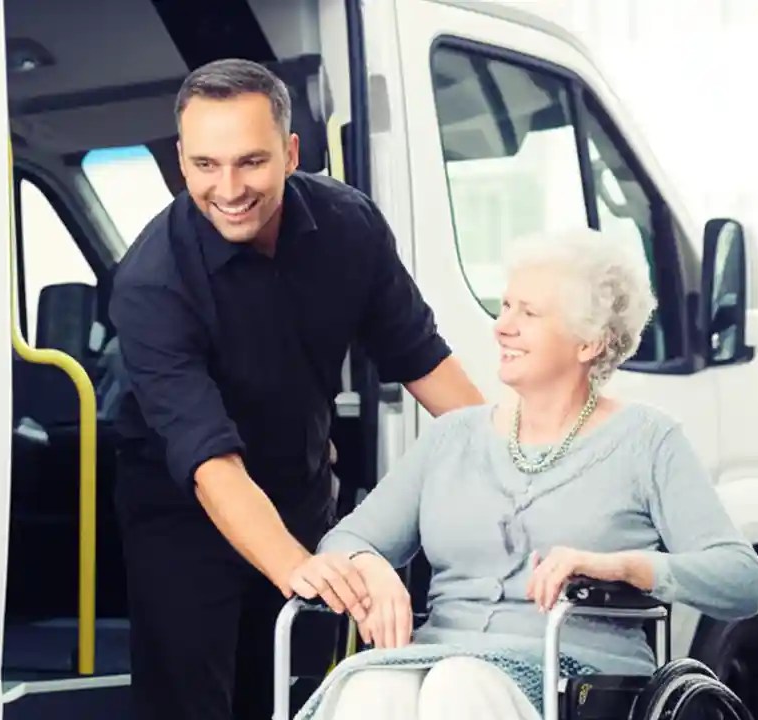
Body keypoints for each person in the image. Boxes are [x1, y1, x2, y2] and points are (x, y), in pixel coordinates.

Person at [107, 57, 485, 720]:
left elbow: (424, 363)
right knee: (189, 701)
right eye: (204, 165)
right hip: (182, 508)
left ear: (290, 152)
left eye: (251, 162)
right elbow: (207, 461)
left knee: (283, 692)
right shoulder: (151, 282)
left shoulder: (350, 227)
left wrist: (527, 469)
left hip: (297, 484)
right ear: (181, 159)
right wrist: (296, 566)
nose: (228, 188)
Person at [289, 226, 758, 720]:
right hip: (438, 656)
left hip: (578, 676)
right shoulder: (451, 437)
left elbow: (741, 579)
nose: (502, 327)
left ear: (589, 343)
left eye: (528, 313)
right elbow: (345, 540)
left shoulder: (647, 441)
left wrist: (626, 566)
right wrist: (370, 565)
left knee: (460, 686)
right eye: (506, 306)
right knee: (372, 686)